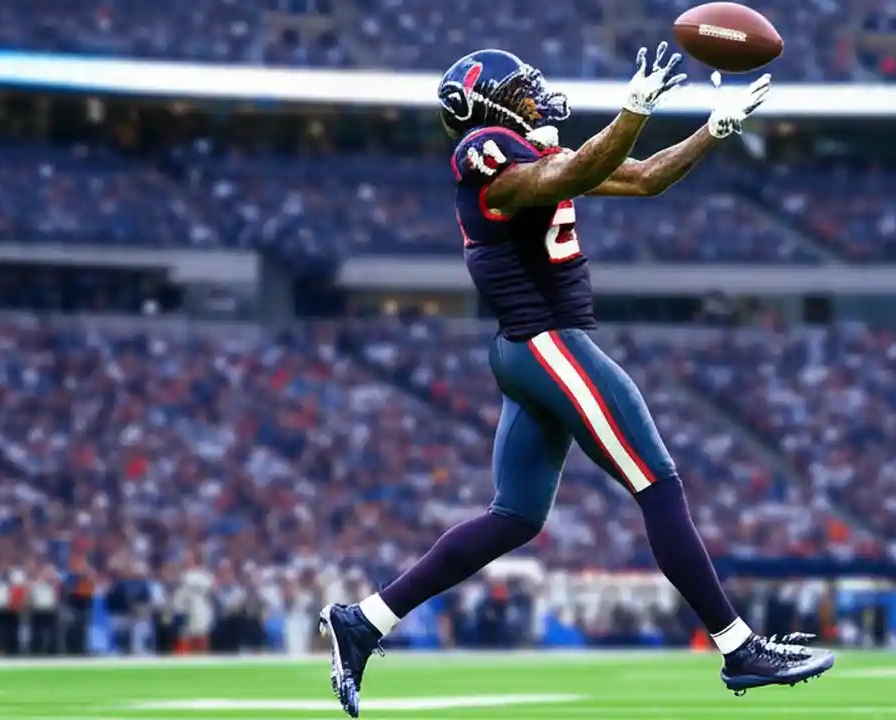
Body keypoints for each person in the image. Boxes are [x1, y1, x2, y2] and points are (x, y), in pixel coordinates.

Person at [318, 43, 833, 717]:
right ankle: (737, 647)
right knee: (659, 483)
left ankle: (365, 620)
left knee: (514, 517)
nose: (535, 96)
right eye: (519, 89)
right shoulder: (487, 156)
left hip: (525, 351)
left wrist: (714, 126)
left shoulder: (527, 152)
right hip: (546, 343)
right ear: (482, 108)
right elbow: (573, 171)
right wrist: (633, 109)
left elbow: (643, 177)